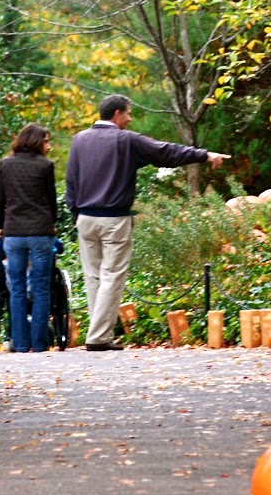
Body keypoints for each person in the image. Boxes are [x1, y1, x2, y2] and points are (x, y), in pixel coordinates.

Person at [64, 94, 228, 352]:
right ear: (117, 113)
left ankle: (99, 335)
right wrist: (204, 155)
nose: (130, 119)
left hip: (85, 218)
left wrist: (76, 214)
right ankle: (97, 337)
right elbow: (166, 152)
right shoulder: (125, 140)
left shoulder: (79, 140)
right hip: (114, 218)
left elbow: (70, 181)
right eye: (128, 113)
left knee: (94, 277)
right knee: (112, 276)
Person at [0, 123, 59, 353]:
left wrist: (0, 225)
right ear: (36, 142)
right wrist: (53, 222)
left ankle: (20, 344)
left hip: (14, 233)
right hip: (41, 232)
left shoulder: (6, 165)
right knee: (41, 288)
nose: (48, 146)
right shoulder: (45, 166)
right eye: (46, 141)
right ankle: (39, 344)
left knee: (17, 288)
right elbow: (51, 199)